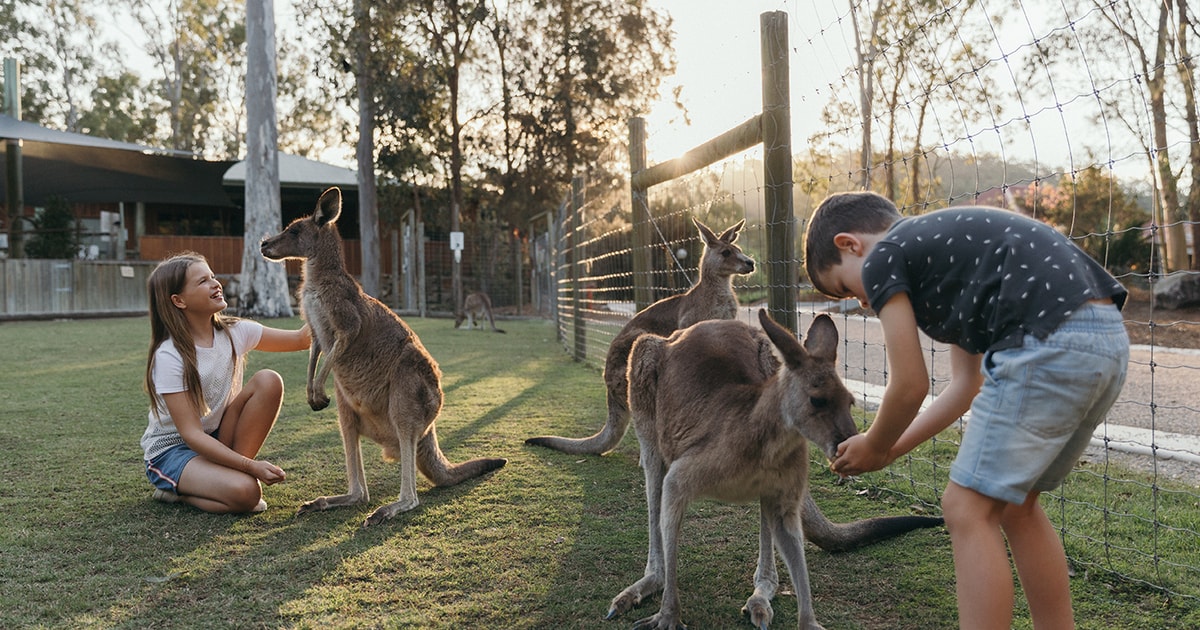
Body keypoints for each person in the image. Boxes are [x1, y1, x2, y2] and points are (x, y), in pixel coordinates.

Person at [804, 191, 1129, 629]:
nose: (862, 302)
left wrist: (876, 443)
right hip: (1104, 339)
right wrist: (889, 451)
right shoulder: (950, 256)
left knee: (965, 507)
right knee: (1018, 504)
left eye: (844, 287)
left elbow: (909, 385)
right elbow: (965, 387)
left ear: (850, 244)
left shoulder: (885, 257)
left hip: (1046, 342)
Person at [141, 252, 311, 514]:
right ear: (179, 300)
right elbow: (192, 435)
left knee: (268, 380)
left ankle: (227, 477)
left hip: (218, 436)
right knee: (247, 493)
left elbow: (302, 339)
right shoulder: (169, 355)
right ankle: (175, 491)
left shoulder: (235, 332)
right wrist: (250, 467)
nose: (215, 283)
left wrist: (331, 294)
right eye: (202, 281)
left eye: (212, 276)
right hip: (173, 451)